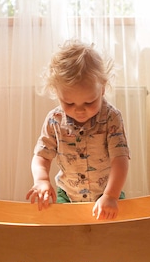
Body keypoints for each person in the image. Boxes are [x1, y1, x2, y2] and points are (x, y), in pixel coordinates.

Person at [26, 40, 130, 220]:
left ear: (103, 89)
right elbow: (41, 156)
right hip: (67, 195)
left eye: (89, 102)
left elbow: (120, 160)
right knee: (68, 236)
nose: (80, 110)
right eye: (69, 103)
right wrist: (42, 180)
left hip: (107, 193)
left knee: (112, 236)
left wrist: (111, 195)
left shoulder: (111, 118)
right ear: (57, 94)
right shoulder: (54, 120)